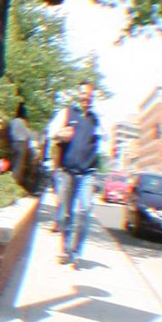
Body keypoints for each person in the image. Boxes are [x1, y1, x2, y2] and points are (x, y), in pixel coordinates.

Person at [48, 81, 101, 266]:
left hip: (87, 172)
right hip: (67, 171)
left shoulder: (95, 120)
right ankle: (65, 249)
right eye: (84, 94)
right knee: (65, 213)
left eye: (90, 95)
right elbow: (52, 134)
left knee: (85, 210)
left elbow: (98, 145)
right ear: (79, 95)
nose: (86, 98)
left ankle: (76, 253)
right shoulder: (67, 113)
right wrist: (62, 134)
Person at [8, 102, 34, 190]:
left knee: (13, 162)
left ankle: (9, 180)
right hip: (22, 143)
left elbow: (10, 132)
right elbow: (28, 134)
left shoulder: (12, 121)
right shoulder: (24, 122)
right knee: (19, 165)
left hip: (13, 143)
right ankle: (15, 183)